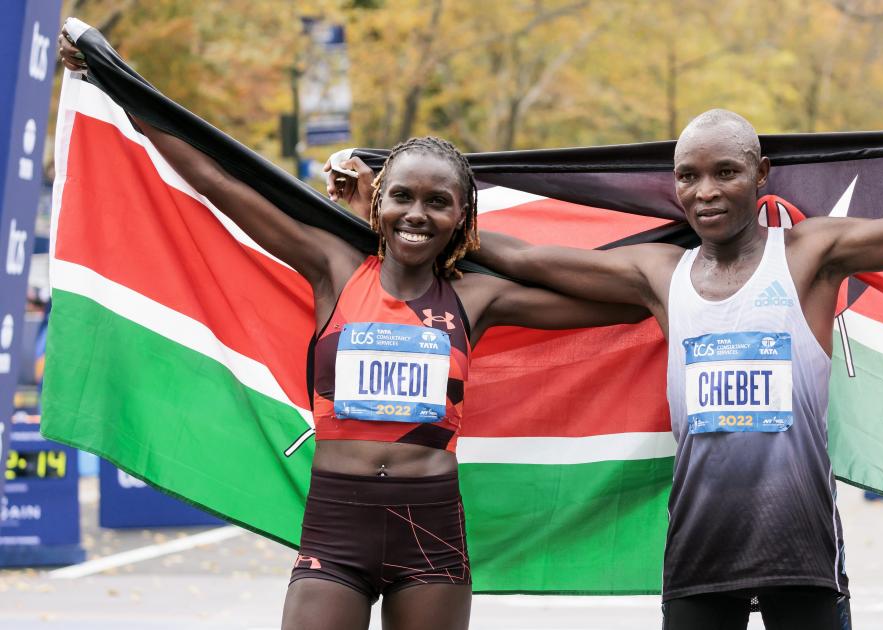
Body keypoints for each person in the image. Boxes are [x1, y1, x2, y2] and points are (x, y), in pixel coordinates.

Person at [345, 108, 883, 629]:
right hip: (698, 556)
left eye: (725, 172)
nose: (704, 191)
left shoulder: (810, 255)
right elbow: (520, 255)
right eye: (688, 177)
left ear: (761, 175)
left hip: (800, 552)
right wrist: (390, 209)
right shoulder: (660, 275)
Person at [58, 30, 647, 630]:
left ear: (461, 215)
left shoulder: (476, 297)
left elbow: (625, 303)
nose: (417, 214)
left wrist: (481, 243)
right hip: (336, 526)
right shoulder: (334, 269)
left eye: (438, 203)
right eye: (401, 197)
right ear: (378, 203)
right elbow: (218, 183)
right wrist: (118, 83)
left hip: (430, 530)